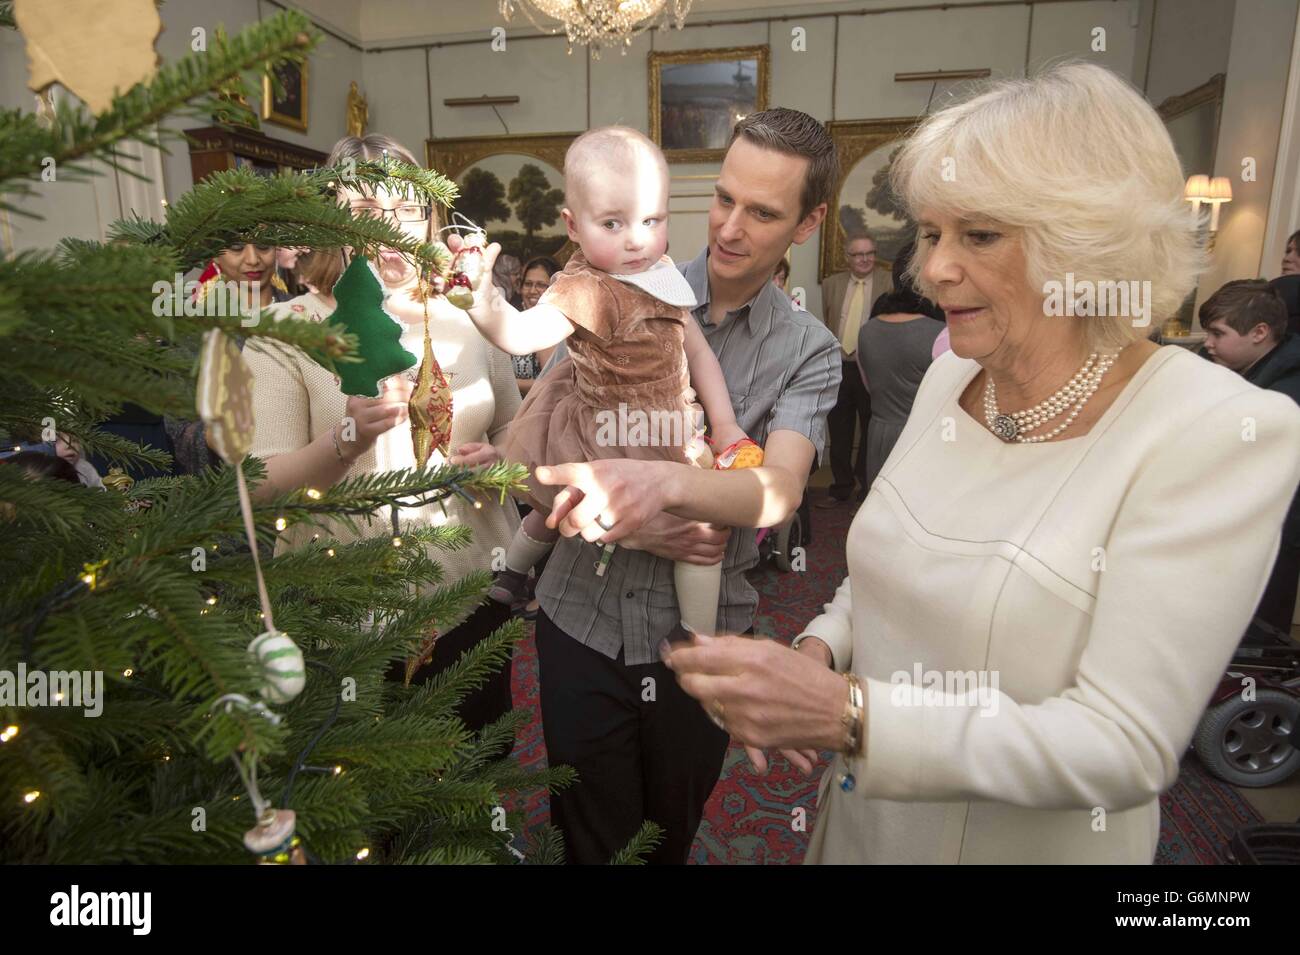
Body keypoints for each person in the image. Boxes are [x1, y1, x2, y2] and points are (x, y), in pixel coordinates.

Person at [662, 62, 1300, 864]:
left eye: (980, 235)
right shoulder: (954, 374)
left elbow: (1124, 745)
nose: (933, 269)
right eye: (931, 233)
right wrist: (820, 647)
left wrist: (852, 716)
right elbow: (886, 562)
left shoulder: (1221, 430)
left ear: (1088, 240)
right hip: (859, 825)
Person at [481, 108, 840, 864]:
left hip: (702, 645)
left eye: (764, 212)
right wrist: (629, 518)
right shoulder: (605, 285)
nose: (731, 228)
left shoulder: (810, 351)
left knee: (669, 832)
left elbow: (777, 493)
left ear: (808, 224)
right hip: (582, 620)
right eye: (723, 199)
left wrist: (659, 486)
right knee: (588, 833)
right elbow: (537, 470)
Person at [242, 133, 525, 733]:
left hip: (468, 590)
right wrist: (344, 441)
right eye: (366, 212)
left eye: (406, 209)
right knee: (363, 794)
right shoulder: (286, 329)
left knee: (473, 762)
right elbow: (258, 485)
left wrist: (501, 457)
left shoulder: (468, 314)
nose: (391, 227)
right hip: (342, 605)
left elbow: (516, 429)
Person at [461, 127, 753, 641]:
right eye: (613, 223)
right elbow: (525, 335)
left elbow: (698, 350)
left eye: (651, 220)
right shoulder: (585, 287)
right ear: (573, 226)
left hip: (668, 420)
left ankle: (693, 634)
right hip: (611, 429)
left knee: (570, 508)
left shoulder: (660, 271)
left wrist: (725, 425)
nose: (636, 238)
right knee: (693, 531)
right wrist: (485, 304)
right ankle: (698, 637)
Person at [1201, 279, 1300, 635]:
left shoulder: (1289, 390)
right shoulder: (1222, 365)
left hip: (1275, 527)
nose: (1207, 343)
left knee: (1255, 631)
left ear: (1259, 332)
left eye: (1217, 333)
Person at [855, 242, 944, 494]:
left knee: (882, 514)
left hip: (879, 436)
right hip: (924, 438)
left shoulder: (866, 331)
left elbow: (870, 386)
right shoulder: (941, 335)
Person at [818, 232, 893, 506]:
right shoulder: (831, 284)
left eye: (870, 253)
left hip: (873, 367)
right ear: (847, 258)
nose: (865, 259)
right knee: (838, 430)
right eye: (858, 254)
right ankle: (840, 488)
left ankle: (866, 491)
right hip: (839, 366)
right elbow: (828, 320)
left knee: (870, 429)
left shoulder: (889, 283)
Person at [512, 255, 561, 396]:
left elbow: (552, 384)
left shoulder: (550, 326)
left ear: (554, 289)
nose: (533, 291)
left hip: (540, 413)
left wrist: (510, 384)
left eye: (541, 285)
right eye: (528, 284)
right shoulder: (517, 321)